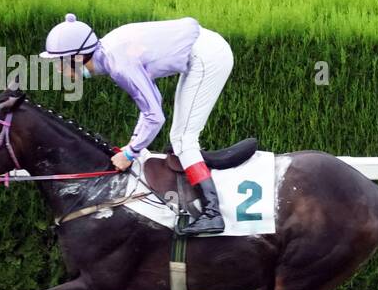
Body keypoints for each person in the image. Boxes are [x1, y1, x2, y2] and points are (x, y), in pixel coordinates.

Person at [39, 13, 233, 235]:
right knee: (180, 137)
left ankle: (212, 213)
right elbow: (151, 105)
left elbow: (155, 115)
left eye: (59, 63)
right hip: (203, 49)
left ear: (79, 57)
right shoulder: (109, 55)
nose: (58, 70)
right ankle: (200, 183)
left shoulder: (119, 65)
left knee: (183, 139)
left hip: (208, 56)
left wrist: (131, 152)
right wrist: (131, 146)